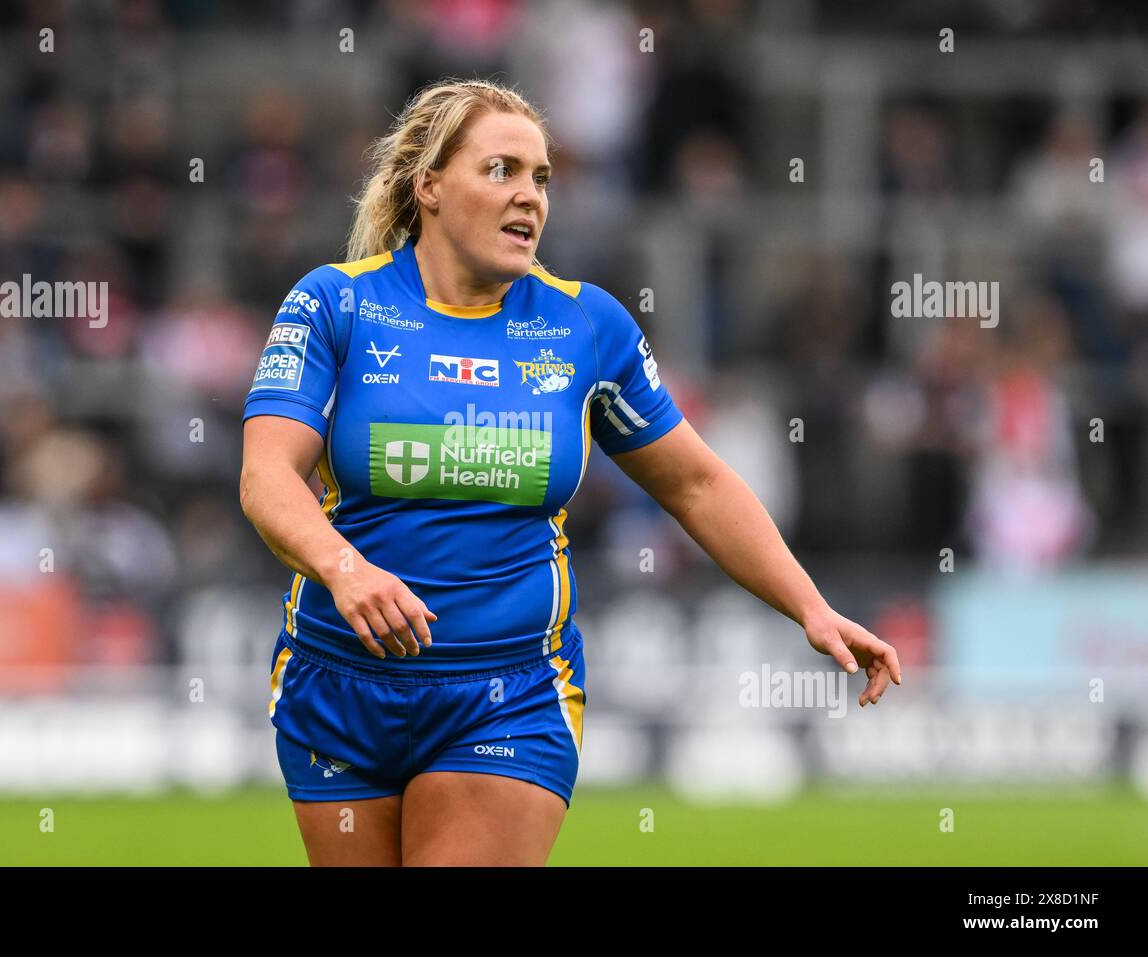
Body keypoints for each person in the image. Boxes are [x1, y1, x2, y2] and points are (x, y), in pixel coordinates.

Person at [238, 78, 901, 867]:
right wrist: (344, 568)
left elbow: (695, 483)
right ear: (430, 186)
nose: (530, 197)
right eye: (502, 171)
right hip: (336, 683)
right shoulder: (333, 305)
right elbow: (266, 477)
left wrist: (809, 606)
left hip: (506, 697)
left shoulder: (585, 324)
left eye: (541, 177)